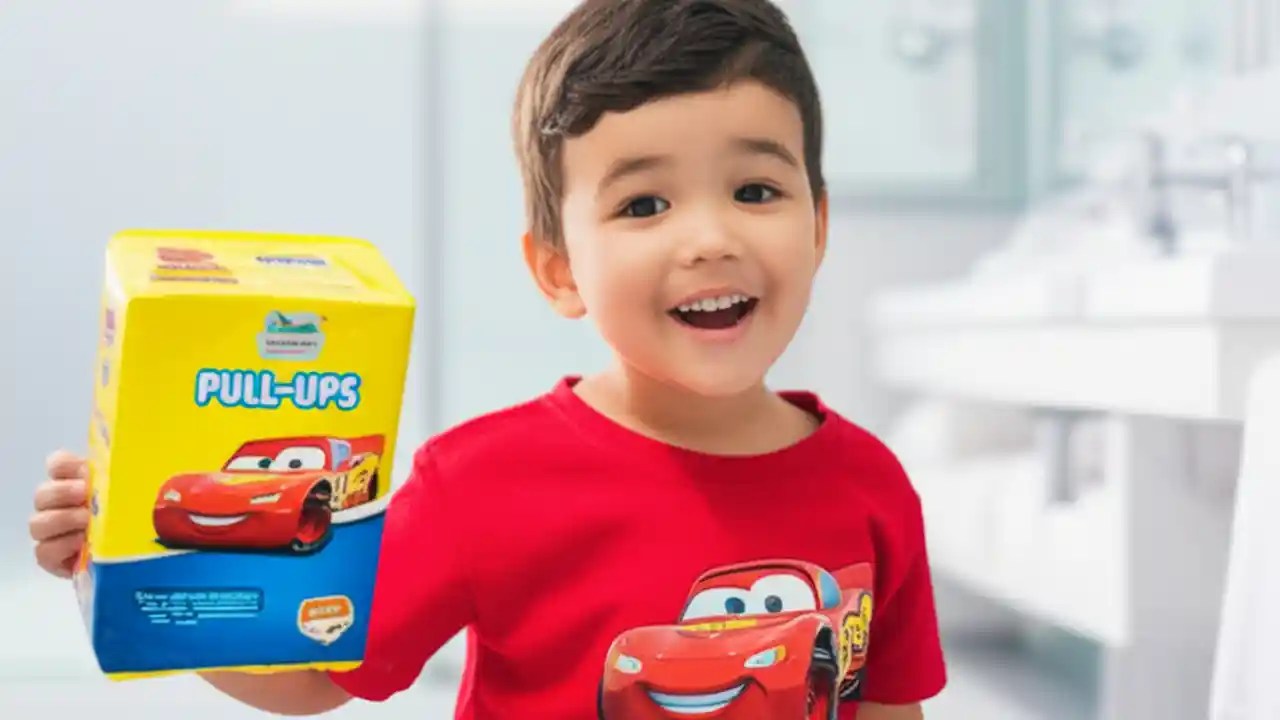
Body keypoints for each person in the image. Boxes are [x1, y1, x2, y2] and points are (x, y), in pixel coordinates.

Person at [28, 0, 947, 717]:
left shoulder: (872, 485)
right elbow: (311, 676)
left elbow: (886, 707)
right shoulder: (481, 482)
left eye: (754, 189)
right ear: (558, 270)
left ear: (817, 224)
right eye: (643, 206)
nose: (707, 238)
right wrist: (113, 567)